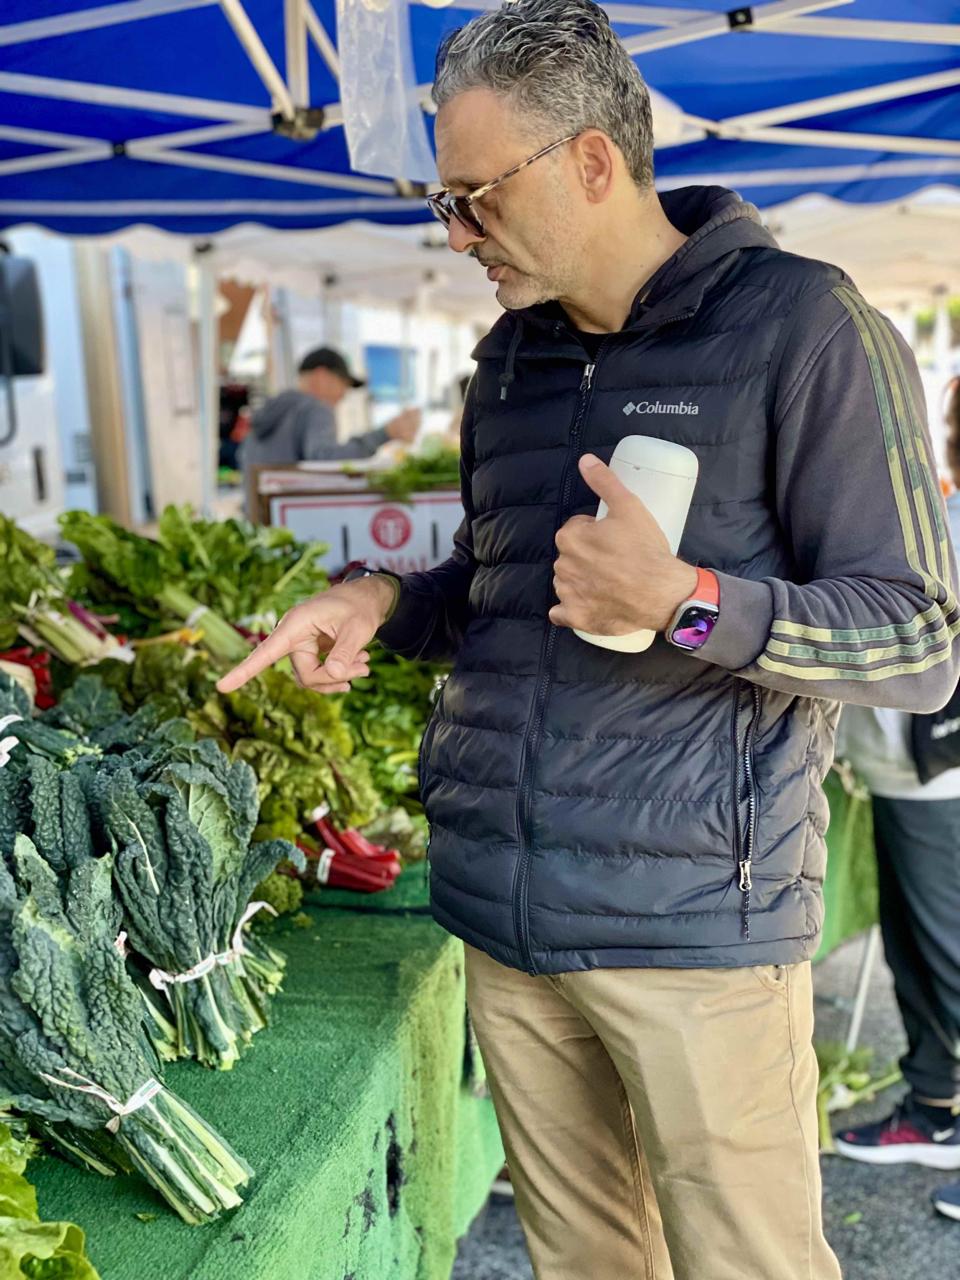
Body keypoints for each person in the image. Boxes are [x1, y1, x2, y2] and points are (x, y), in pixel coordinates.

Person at [216, 3, 960, 1276]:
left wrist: (683, 598)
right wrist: (377, 604)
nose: (455, 235)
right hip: (509, 922)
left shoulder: (809, 328)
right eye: (442, 204)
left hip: (701, 937)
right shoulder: (507, 360)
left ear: (592, 162)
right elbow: (497, 586)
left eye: (474, 198)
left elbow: (919, 636)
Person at [834, 377, 960, 1225]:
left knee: (948, 955)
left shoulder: (946, 524)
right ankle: (933, 1108)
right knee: (922, 951)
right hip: (901, 769)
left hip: (938, 772)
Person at [240, 345, 420, 475]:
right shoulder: (316, 409)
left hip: (260, 519)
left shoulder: (273, 409)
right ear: (321, 376)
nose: (343, 396)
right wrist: (384, 434)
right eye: (343, 385)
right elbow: (325, 461)